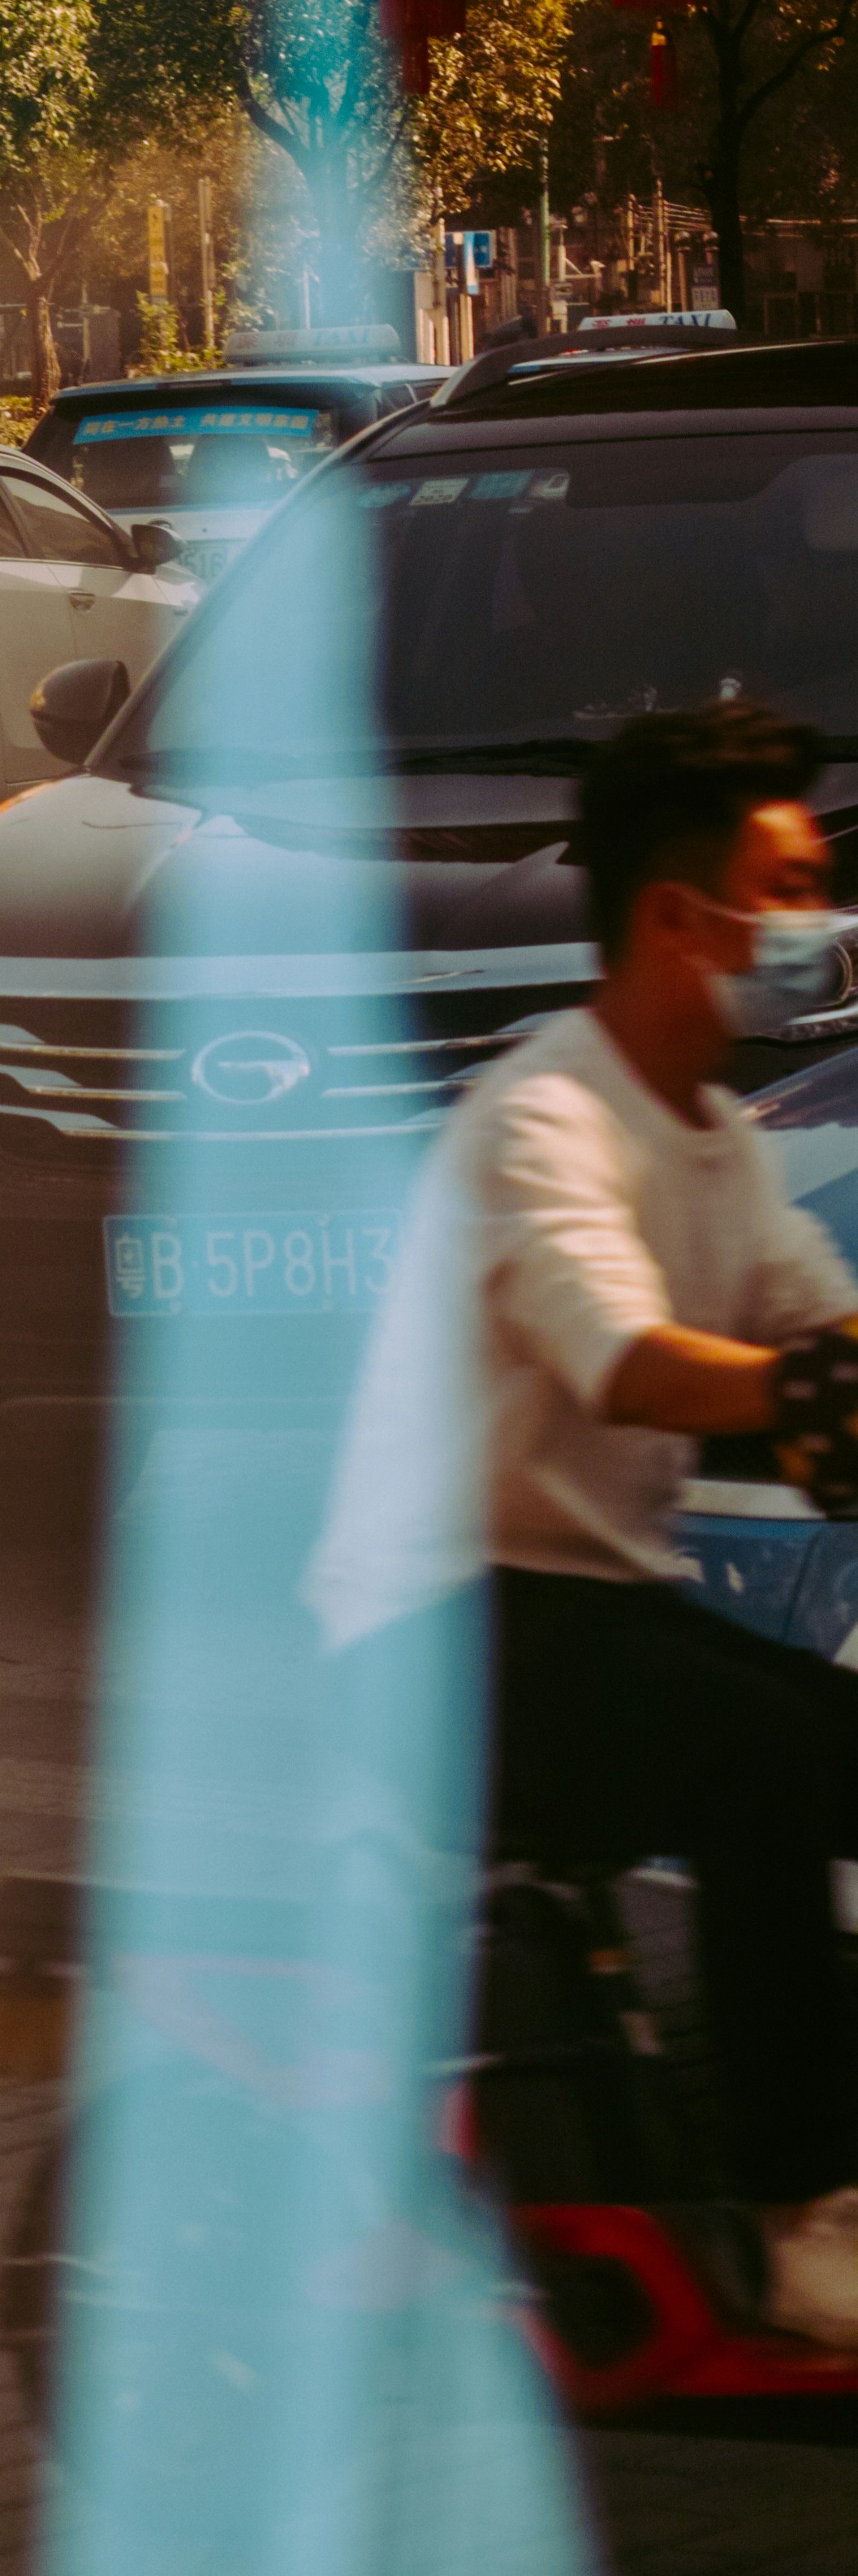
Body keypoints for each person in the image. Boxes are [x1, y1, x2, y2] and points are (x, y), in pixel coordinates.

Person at [308, 699, 858, 2345]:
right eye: (787, 884)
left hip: (586, 1615)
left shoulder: (709, 1136)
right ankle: (800, 2214)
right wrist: (798, 1395)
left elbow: (819, 1331)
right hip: (443, 1630)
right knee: (767, 1761)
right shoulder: (543, 1117)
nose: (813, 920)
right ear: (678, 918)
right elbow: (619, 1355)